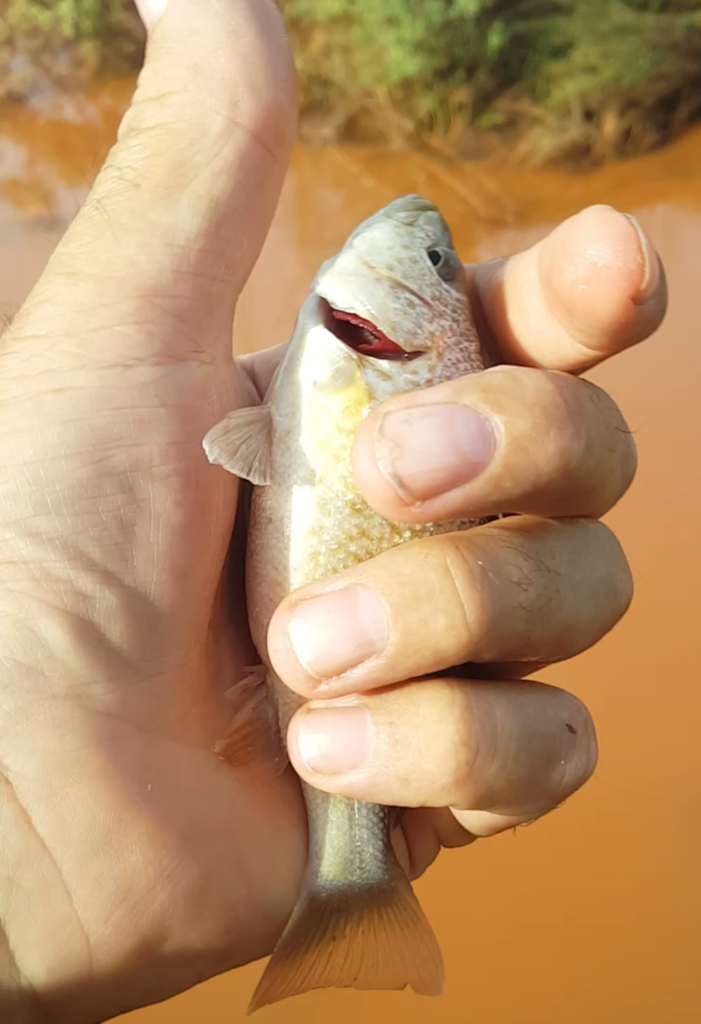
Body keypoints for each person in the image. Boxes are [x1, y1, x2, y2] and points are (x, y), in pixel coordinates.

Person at [0, 1, 667, 1021]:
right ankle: (351, 877)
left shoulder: (377, 365)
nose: (419, 241)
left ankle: (351, 872)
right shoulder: (338, 361)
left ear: (419, 324)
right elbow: (237, 442)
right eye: (439, 263)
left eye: (435, 265)